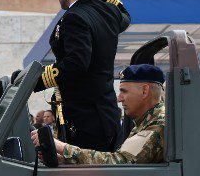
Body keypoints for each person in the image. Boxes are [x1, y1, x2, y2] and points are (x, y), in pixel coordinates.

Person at [40, 0, 131, 151]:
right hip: (106, 115)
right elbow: (125, 14)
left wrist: (37, 79)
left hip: (85, 121)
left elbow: (76, 63)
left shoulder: (75, 17)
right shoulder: (108, 12)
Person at [32, 63, 165, 165]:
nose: (119, 98)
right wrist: (64, 160)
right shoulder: (145, 121)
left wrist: (62, 147)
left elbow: (120, 163)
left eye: (124, 91)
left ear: (144, 91)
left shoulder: (159, 123)